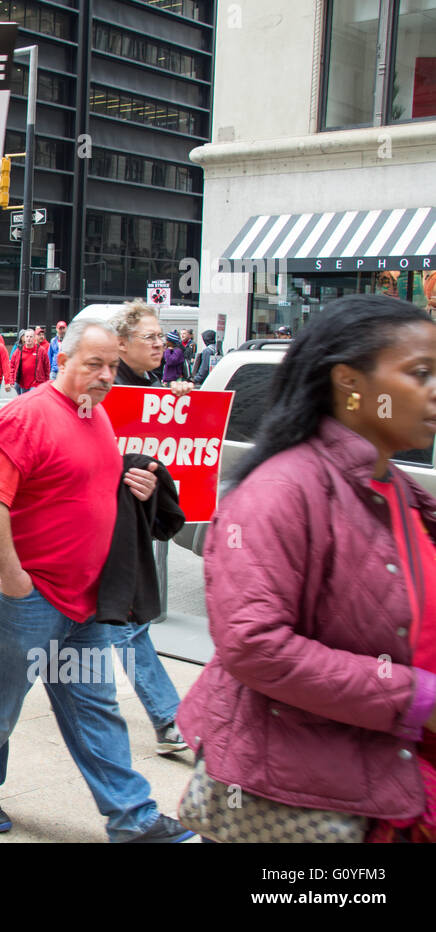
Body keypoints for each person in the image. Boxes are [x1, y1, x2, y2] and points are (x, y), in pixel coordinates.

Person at [179, 295, 436, 842]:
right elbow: (253, 643)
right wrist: (413, 697)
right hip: (302, 798)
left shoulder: (400, 493)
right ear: (349, 383)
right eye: (420, 373)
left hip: (391, 777)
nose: (434, 389)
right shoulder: (282, 490)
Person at [0, 316, 194, 841]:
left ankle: (134, 817)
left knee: (95, 706)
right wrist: (14, 580)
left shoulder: (97, 417)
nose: (105, 375)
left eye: (111, 366)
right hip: (23, 596)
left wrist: (140, 485)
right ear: (63, 359)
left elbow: (86, 487)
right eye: (93, 364)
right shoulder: (28, 415)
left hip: (85, 599)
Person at [111, 300, 192, 751]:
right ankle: (169, 718)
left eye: (163, 337)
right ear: (121, 344)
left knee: (118, 623)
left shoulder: (151, 389)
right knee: (126, 623)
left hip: (128, 528)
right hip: (106, 531)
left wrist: (177, 405)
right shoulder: (110, 392)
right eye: (151, 337)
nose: (161, 343)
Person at [9, 330, 50, 395]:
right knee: (25, 401)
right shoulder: (19, 351)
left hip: (36, 382)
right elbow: (12, 365)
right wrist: (11, 380)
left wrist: (47, 380)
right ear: (24, 338)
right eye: (27, 336)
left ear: (34, 338)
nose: (29, 338)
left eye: (31, 336)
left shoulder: (41, 351)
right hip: (23, 383)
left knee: (31, 398)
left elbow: (47, 366)